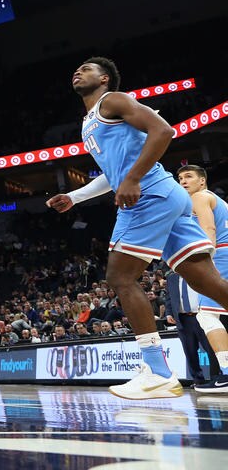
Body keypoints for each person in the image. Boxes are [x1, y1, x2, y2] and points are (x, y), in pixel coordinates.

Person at [46, 57, 228, 399]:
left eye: (87, 68)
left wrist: (132, 179)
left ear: (104, 79)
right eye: (77, 68)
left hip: (150, 194)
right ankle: (157, 371)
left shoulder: (112, 100)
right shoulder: (89, 121)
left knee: (120, 277)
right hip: (166, 195)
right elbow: (111, 174)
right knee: (206, 279)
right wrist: (74, 196)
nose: (78, 71)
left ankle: (158, 372)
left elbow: (163, 130)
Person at [176, 164, 228, 392]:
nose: (183, 181)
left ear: (202, 181)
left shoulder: (199, 197)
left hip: (221, 255)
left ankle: (226, 373)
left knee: (207, 316)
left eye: (189, 176)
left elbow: (209, 228)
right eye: (180, 178)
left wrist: (207, 258)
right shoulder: (217, 200)